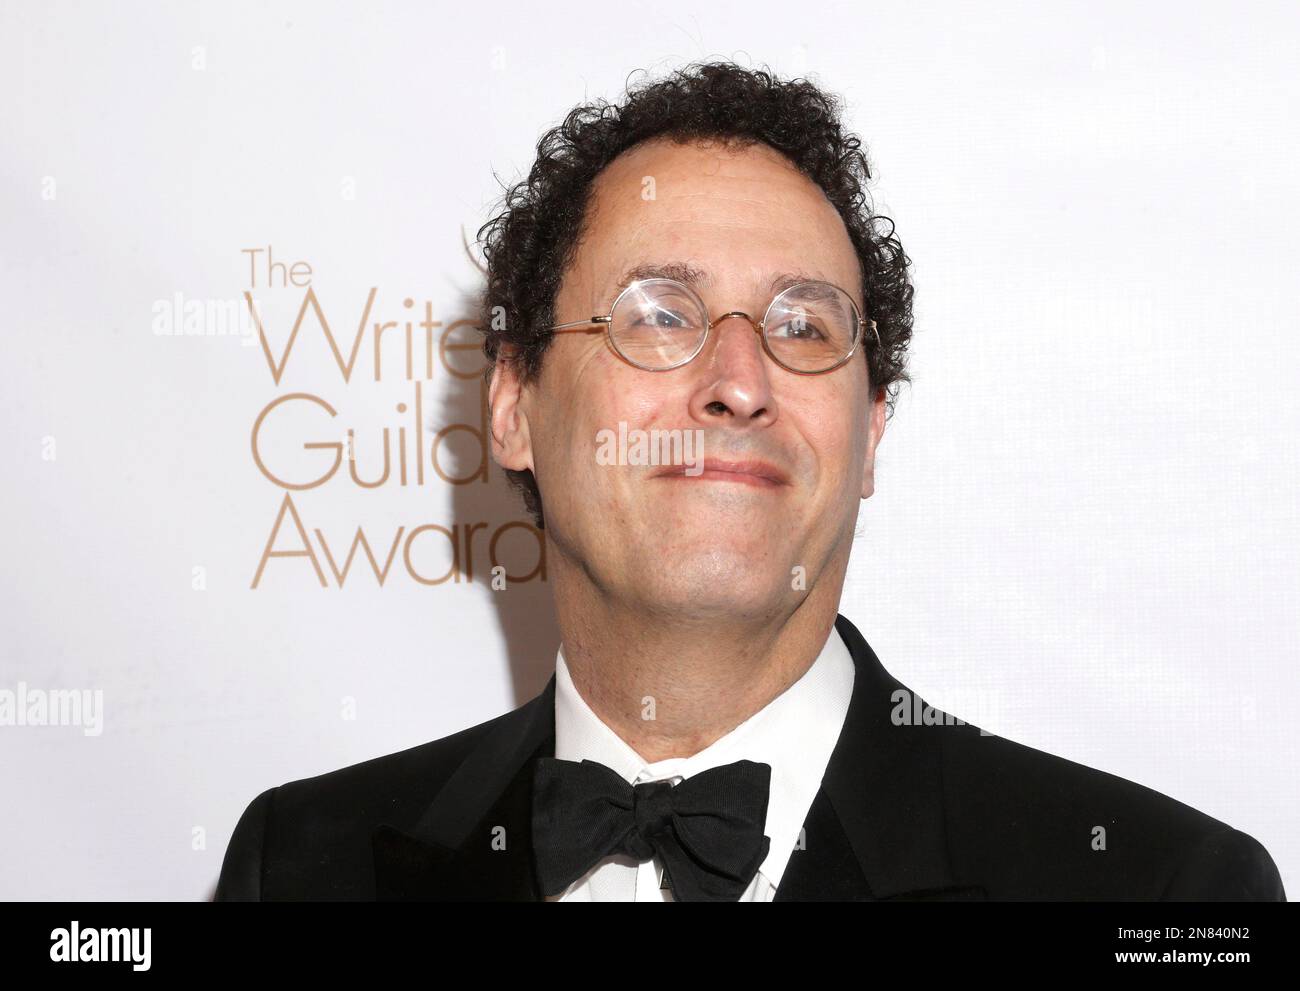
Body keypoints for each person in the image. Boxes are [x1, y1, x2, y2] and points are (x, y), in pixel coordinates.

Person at [215, 61, 1285, 901]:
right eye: (659, 315)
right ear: (513, 404)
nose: (738, 381)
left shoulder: (1156, 889)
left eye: (802, 325)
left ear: (869, 434)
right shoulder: (306, 864)